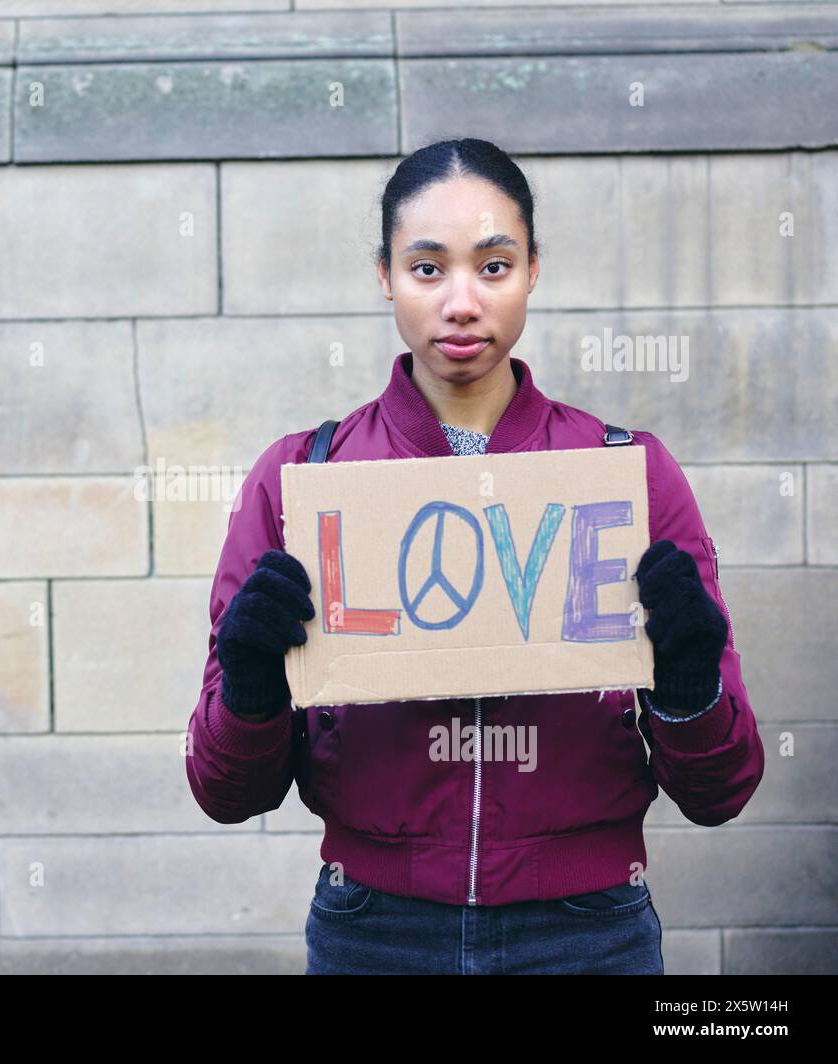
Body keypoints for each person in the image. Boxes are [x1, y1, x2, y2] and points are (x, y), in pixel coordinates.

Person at [183, 138, 765, 975]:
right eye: (428, 269)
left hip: (588, 931)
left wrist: (686, 686)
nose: (462, 302)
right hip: (373, 930)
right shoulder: (300, 479)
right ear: (383, 274)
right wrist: (251, 685)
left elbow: (723, 791)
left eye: (493, 267)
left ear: (533, 270)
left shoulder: (629, 476)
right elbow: (224, 792)